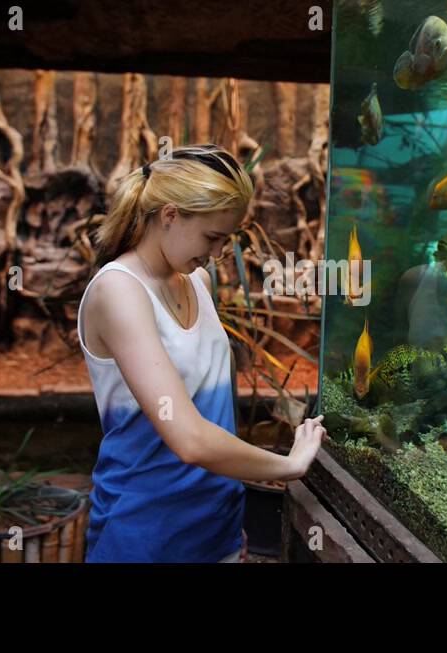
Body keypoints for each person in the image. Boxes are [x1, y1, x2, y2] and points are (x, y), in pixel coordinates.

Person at [76, 144, 326, 563]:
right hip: (145, 535)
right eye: (212, 237)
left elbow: (215, 417)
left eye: (225, 240)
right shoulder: (118, 290)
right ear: (170, 215)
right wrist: (289, 464)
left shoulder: (197, 283)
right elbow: (189, 439)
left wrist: (229, 522)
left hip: (217, 526)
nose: (216, 254)